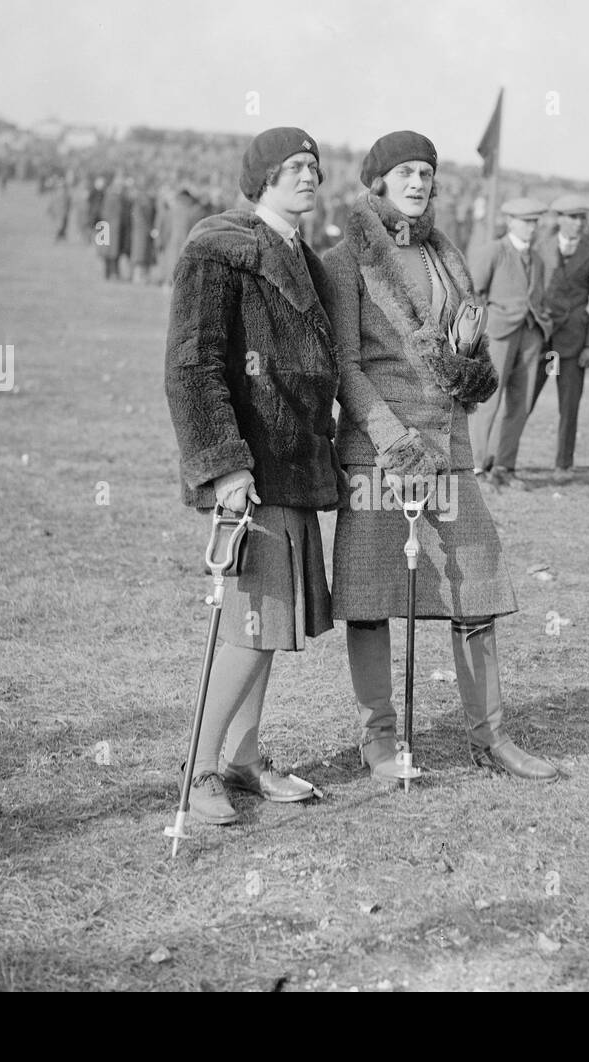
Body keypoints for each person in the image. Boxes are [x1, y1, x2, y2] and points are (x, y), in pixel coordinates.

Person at [324, 130, 559, 782]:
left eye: (426, 171)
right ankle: (379, 744)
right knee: (373, 599)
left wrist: (466, 353)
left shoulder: (445, 254)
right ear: (377, 182)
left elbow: (466, 363)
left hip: (450, 450)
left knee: (476, 587)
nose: (419, 181)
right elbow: (345, 367)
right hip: (380, 455)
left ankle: (491, 738)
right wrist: (394, 445)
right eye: (405, 171)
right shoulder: (346, 263)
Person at [163, 127, 341, 824]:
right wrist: (226, 467)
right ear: (262, 179)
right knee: (250, 623)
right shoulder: (219, 251)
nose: (308, 176)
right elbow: (191, 366)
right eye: (294, 167)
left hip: (296, 463)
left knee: (271, 623)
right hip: (253, 469)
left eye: (314, 166)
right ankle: (198, 768)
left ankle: (244, 755)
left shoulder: (305, 258)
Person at [468, 197, 554, 491]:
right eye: (527, 221)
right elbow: (472, 291)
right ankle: (477, 466)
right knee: (489, 399)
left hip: (531, 333)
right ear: (511, 222)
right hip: (499, 334)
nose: (532, 227)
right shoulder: (494, 251)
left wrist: (543, 323)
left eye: (535, 222)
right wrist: (484, 326)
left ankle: (504, 465)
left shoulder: (539, 258)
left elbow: (539, 296)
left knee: (522, 401)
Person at [529, 195, 589, 484]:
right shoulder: (540, 248)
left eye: (582, 218)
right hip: (543, 340)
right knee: (522, 400)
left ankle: (564, 464)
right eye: (573, 217)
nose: (579, 223)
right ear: (559, 218)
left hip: (574, 344)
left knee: (569, 406)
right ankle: (501, 460)